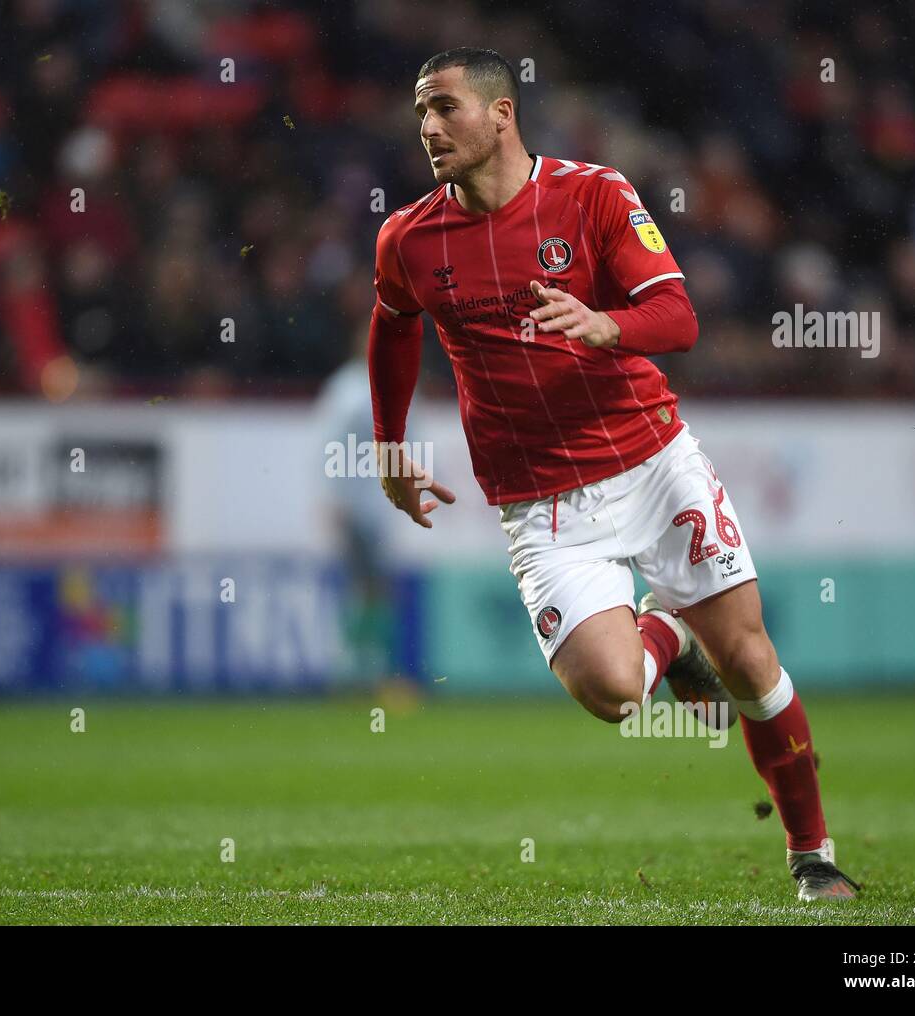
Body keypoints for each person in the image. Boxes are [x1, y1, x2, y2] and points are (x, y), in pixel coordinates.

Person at [367, 48, 859, 901]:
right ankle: (665, 633)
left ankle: (812, 856)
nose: (429, 127)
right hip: (539, 500)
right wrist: (386, 444)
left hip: (650, 460)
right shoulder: (408, 238)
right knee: (611, 692)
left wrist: (605, 325)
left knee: (747, 660)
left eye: (445, 107)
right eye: (420, 113)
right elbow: (393, 323)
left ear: (501, 114)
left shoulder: (594, 194)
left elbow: (678, 316)